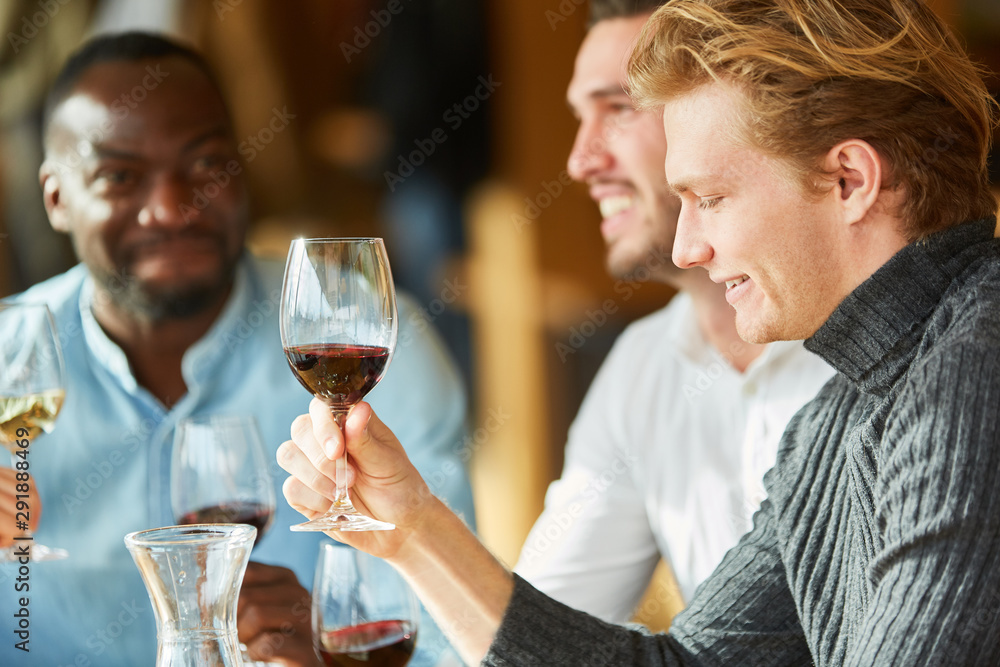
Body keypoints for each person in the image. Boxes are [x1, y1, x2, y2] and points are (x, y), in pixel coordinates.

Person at [279, 0, 1000, 664]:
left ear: (849, 179)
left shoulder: (974, 364)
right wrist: (413, 528)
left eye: (711, 198)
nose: (687, 247)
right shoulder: (838, 418)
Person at [0, 32, 474, 667]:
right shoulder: (10, 360)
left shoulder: (378, 342)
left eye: (205, 165)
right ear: (56, 197)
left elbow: (459, 644)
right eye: (120, 176)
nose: (171, 208)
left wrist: (335, 657)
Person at [513, 0, 834, 620]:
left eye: (619, 108)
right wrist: (411, 529)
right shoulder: (642, 363)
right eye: (581, 116)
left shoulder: (890, 345)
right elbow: (548, 632)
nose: (580, 161)